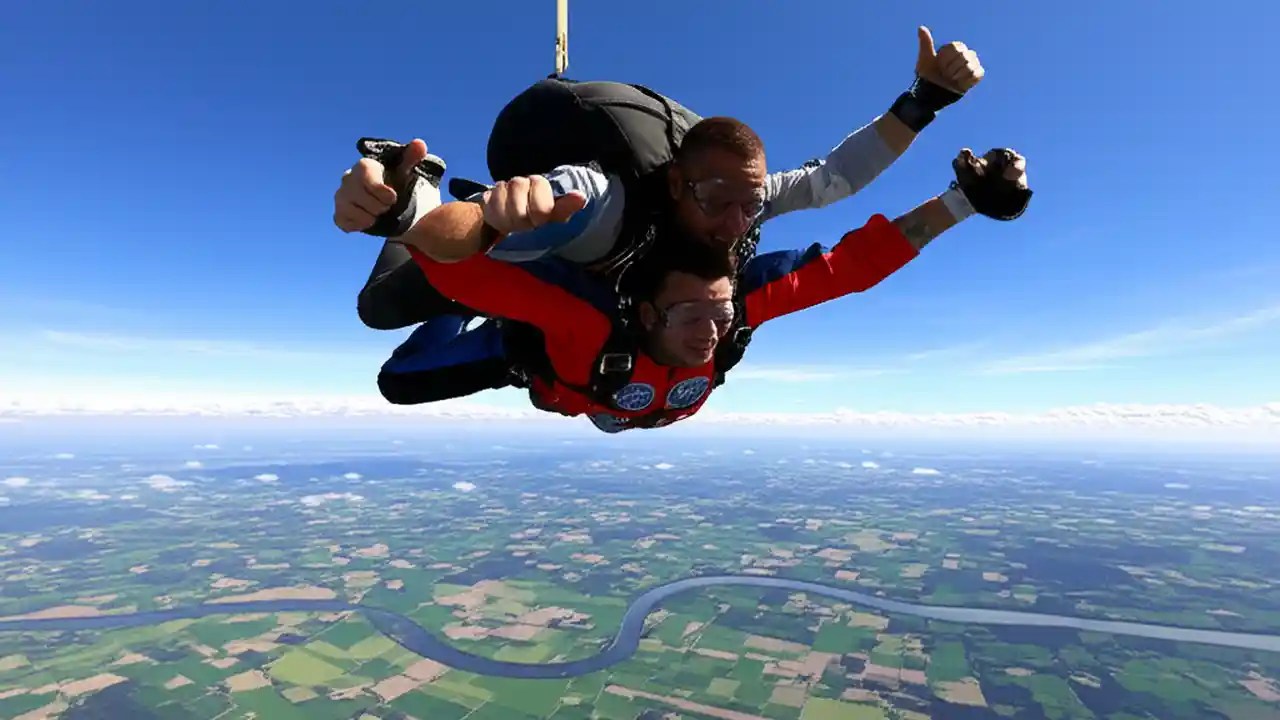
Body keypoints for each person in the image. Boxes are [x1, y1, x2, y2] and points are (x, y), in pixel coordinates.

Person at [334, 27, 986, 331]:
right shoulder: (602, 203)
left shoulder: (743, 206)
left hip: (612, 289)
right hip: (558, 247)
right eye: (716, 200)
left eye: (750, 204)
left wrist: (923, 101)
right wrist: (410, 216)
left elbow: (835, 179)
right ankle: (425, 180)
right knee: (383, 309)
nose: (738, 222)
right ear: (675, 184)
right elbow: (474, 233)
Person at [375, 146, 1032, 433]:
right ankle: (442, 232)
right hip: (530, 352)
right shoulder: (589, 321)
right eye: (692, 311)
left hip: (570, 382)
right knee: (401, 374)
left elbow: (853, 267)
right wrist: (413, 216)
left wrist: (963, 202)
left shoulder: (737, 314)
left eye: (719, 310)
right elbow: (454, 266)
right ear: (645, 312)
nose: (712, 329)